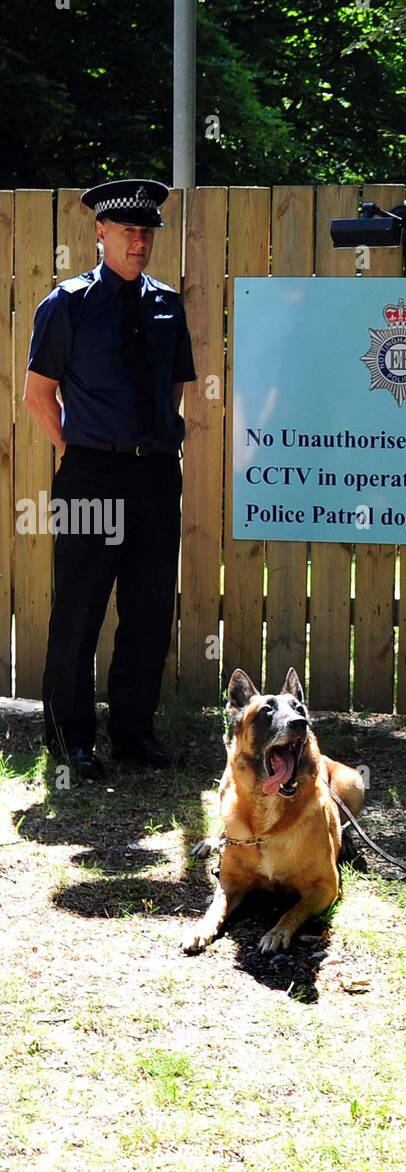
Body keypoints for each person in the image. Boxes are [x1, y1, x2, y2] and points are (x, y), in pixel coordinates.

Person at [23, 179, 196, 778]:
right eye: (127, 231)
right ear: (100, 233)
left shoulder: (169, 304)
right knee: (80, 607)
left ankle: (133, 734)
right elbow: (37, 395)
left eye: (147, 232)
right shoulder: (65, 304)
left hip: (154, 476)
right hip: (92, 475)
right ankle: (70, 739)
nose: (139, 242)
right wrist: (79, 447)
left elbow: (175, 386)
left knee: (148, 607)